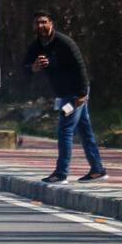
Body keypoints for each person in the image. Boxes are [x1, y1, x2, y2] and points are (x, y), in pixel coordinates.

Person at [25, 11, 105, 184]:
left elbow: (80, 66)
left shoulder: (64, 43)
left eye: (44, 22)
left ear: (51, 23)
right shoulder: (36, 47)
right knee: (84, 130)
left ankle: (61, 173)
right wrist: (33, 67)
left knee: (65, 130)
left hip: (75, 93)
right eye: (37, 23)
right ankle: (97, 169)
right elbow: (24, 67)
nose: (41, 26)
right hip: (63, 94)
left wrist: (83, 94)